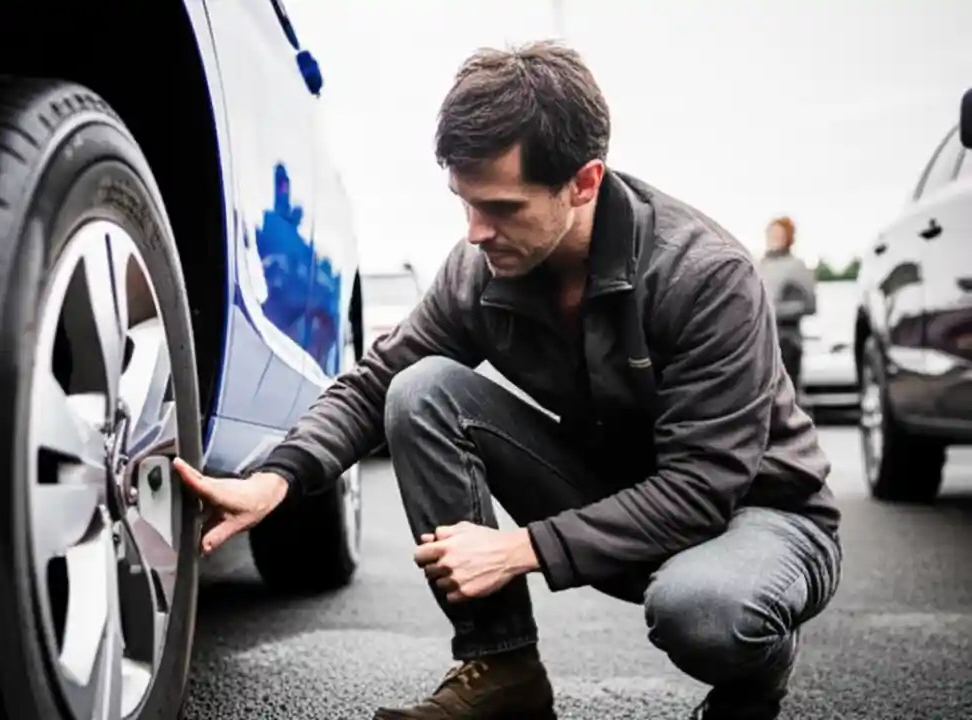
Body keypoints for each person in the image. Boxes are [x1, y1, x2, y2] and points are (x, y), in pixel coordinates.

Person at [172, 40, 842, 720]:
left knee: (703, 613)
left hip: (757, 518)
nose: (475, 233)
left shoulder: (705, 275)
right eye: (464, 202)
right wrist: (275, 478)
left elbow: (701, 488)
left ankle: (759, 670)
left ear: (584, 182)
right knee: (422, 390)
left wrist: (519, 549)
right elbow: (378, 382)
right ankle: (502, 670)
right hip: (620, 497)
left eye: (501, 207)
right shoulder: (483, 269)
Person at [758, 216, 817, 393]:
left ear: (789, 237)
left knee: (788, 395)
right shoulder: (759, 264)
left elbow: (811, 306)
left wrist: (774, 311)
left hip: (788, 341)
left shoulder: (798, 266)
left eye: (779, 234)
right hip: (760, 342)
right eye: (771, 233)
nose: (774, 238)